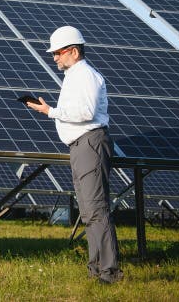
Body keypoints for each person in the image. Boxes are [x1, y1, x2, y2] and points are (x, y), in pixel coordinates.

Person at [26, 26, 123, 284]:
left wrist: (51, 112)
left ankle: (110, 272)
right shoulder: (74, 76)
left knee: (97, 209)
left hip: (90, 144)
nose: (54, 57)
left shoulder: (86, 75)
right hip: (81, 146)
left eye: (58, 52)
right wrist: (51, 111)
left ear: (73, 51)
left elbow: (87, 112)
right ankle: (96, 269)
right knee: (88, 211)